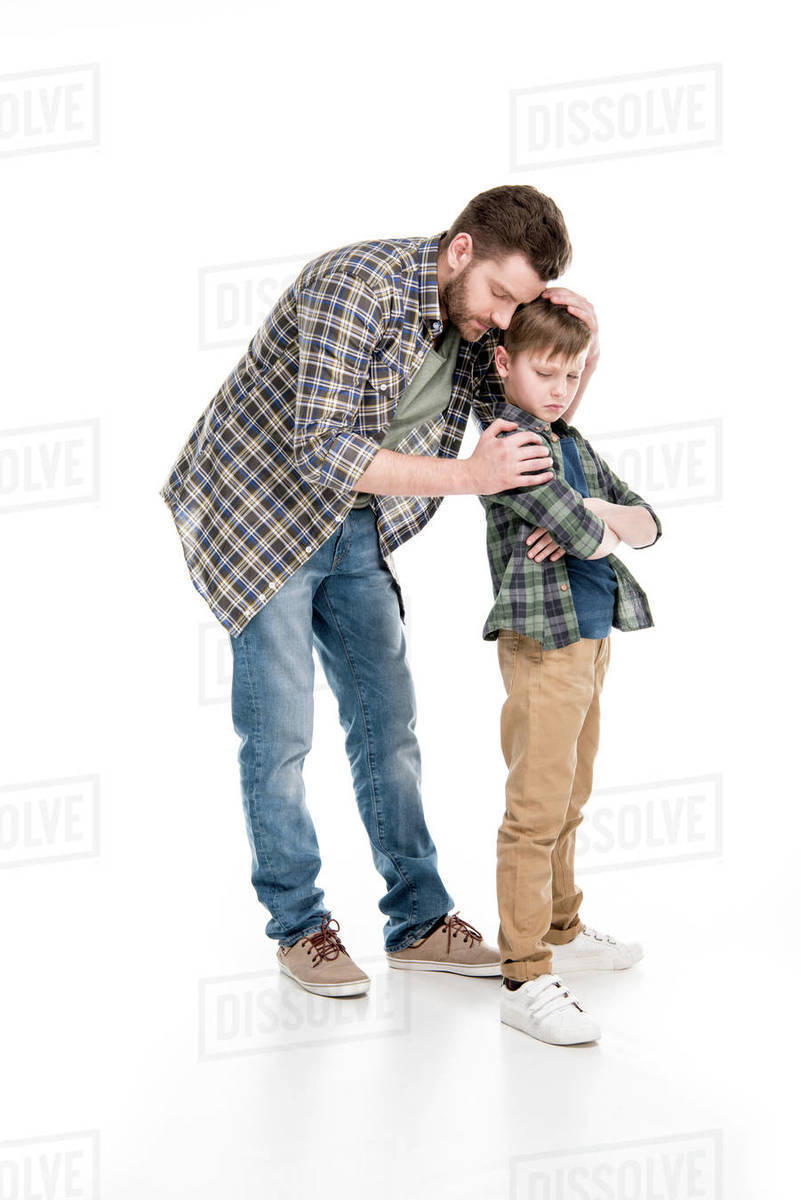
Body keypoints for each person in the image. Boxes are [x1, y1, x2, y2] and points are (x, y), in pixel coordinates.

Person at [159, 185, 601, 998]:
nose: (505, 319)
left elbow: (528, 412)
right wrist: (469, 476)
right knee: (280, 737)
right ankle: (299, 926)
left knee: (386, 727)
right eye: (501, 295)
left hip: (355, 524)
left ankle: (418, 921)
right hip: (260, 516)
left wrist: (579, 339)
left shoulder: (479, 324)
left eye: (522, 305)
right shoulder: (356, 286)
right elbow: (324, 449)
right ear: (459, 251)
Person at [478, 297, 662, 1044]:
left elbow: (648, 521)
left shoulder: (569, 440)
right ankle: (523, 973)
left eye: (572, 374)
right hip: (544, 646)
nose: (559, 389)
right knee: (535, 808)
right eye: (544, 371)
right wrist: (598, 520)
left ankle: (562, 928)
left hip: (590, 637)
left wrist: (595, 513)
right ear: (504, 363)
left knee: (571, 796)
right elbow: (592, 536)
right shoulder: (510, 445)